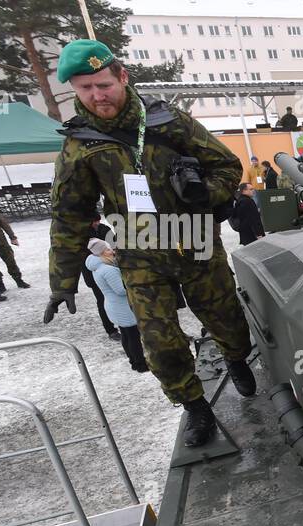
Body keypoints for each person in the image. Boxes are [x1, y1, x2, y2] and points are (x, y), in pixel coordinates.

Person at [45, 39, 255, 448]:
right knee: (160, 340)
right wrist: (63, 281)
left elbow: (226, 165)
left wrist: (205, 193)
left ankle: (237, 358)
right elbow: (69, 215)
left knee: (224, 314)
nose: (96, 95)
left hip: (190, 234)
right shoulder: (80, 144)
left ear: (122, 76)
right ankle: (195, 407)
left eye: (102, 84)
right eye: (84, 88)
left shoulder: (165, 121)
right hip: (137, 245)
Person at [85, 239, 147, 372]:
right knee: (133, 336)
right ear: (101, 253)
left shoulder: (98, 267)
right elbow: (121, 290)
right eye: (107, 249)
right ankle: (140, 364)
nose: (112, 251)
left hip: (114, 306)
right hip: (122, 307)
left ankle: (133, 361)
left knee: (126, 334)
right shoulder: (108, 269)